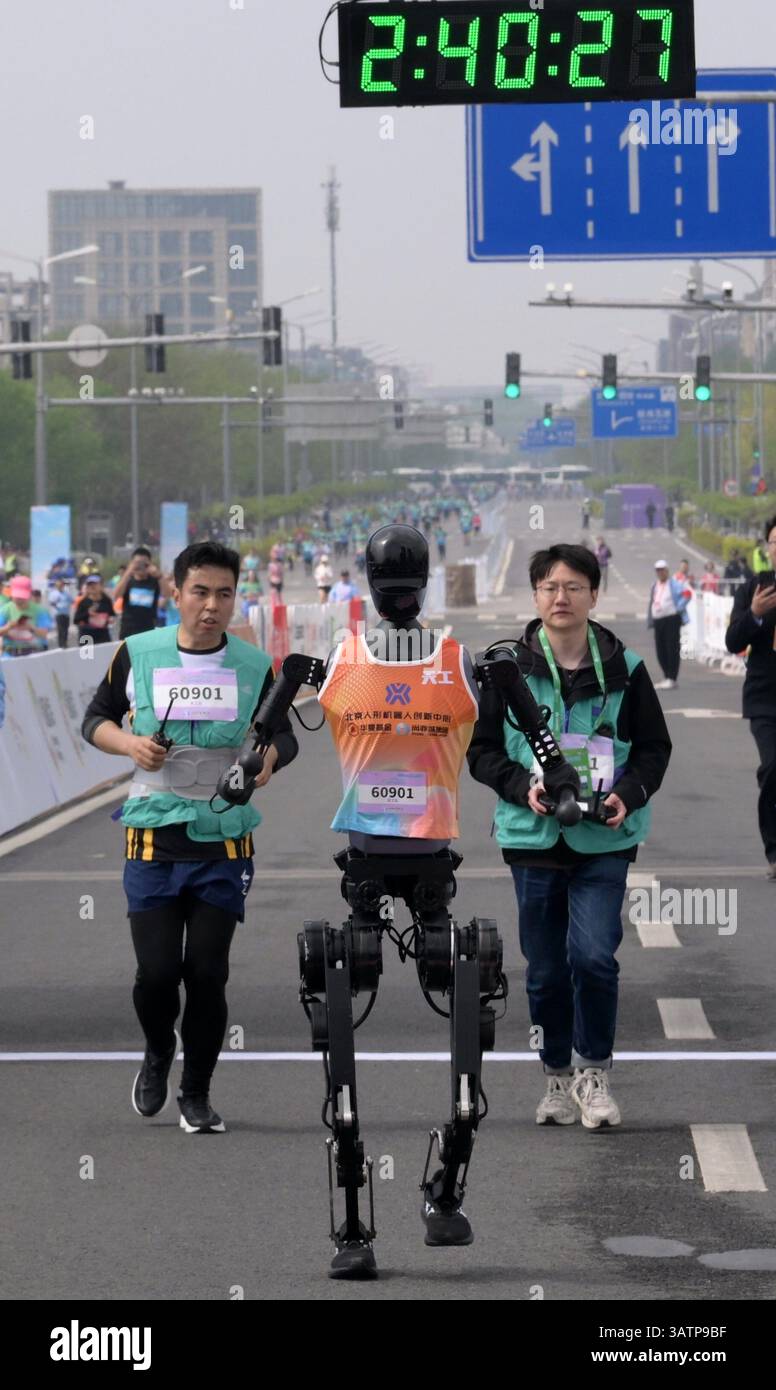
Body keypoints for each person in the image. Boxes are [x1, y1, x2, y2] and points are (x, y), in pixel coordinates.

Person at [80, 541, 298, 1132]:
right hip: (153, 837)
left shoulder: (256, 667)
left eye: (224, 594)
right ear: (176, 593)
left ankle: (196, 1092)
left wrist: (266, 761)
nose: (211, 606)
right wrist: (130, 745)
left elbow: (286, 737)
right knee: (156, 975)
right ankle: (157, 1052)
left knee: (206, 971)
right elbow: (93, 719)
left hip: (222, 840)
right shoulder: (137, 652)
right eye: (199, 592)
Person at [467, 543, 671, 1130]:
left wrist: (627, 795)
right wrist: (519, 787)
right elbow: (480, 754)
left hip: (605, 836)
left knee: (594, 957)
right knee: (546, 968)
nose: (562, 597)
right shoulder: (505, 670)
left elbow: (655, 749)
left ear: (592, 596)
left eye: (574, 587)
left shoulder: (626, 670)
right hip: (532, 837)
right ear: (536, 596)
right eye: (551, 587)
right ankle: (555, 1076)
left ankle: (594, 1073)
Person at [724, 517, 776, 878]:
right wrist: (755, 616)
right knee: (774, 768)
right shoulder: (754, 589)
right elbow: (732, 642)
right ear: (767, 548)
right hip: (765, 699)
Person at [647, 560, 690, 690]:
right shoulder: (655, 585)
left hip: (671, 619)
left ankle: (672, 677)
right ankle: (666, 676)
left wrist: (679, 608)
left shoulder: (674, 584)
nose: (660, 573)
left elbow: (687, 594)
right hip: (659, 620)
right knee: (660, 649)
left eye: (662, 570)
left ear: (667, 570)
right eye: (658, 570)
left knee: (672, 648)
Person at [113, 548, 164, 638]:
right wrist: (128, 572)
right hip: (128, 629)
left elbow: (167, 594)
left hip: (148, 630)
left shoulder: (154, 581)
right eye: (137, 563)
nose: (141, 566)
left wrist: (159, 575)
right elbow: (116, 595)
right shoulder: (128, 581)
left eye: (144, 563)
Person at [0, 575, 52, 656]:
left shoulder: (40, 611)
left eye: (22, 597)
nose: (19, 600)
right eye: (17, 597)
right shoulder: (5, 609)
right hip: (10, 654)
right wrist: (8, 626)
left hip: (33, 654)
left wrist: (31, 628)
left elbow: (44, 634)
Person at [73, 575, 115, 645]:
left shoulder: (107, 601)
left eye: (95, 584)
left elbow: (111, 614)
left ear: (101, 586)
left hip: (103, 636)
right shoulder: (83, 602)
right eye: (89, 585)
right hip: (87, 637)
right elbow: (76, 620)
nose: (92, 587)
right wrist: (88, 613)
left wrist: (110, 619)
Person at [48, 576, 73, 649]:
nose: (60, 586)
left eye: (61, 585)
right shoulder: (53, 593)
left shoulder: (67, 593)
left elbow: (71, 601)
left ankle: (64, 643)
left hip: (66, 614)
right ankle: (61, 644)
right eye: (58, 585)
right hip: (58, 614)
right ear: (56, 586)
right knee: (60, 629)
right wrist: (56, 603)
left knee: (66, 629)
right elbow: (51, 603)